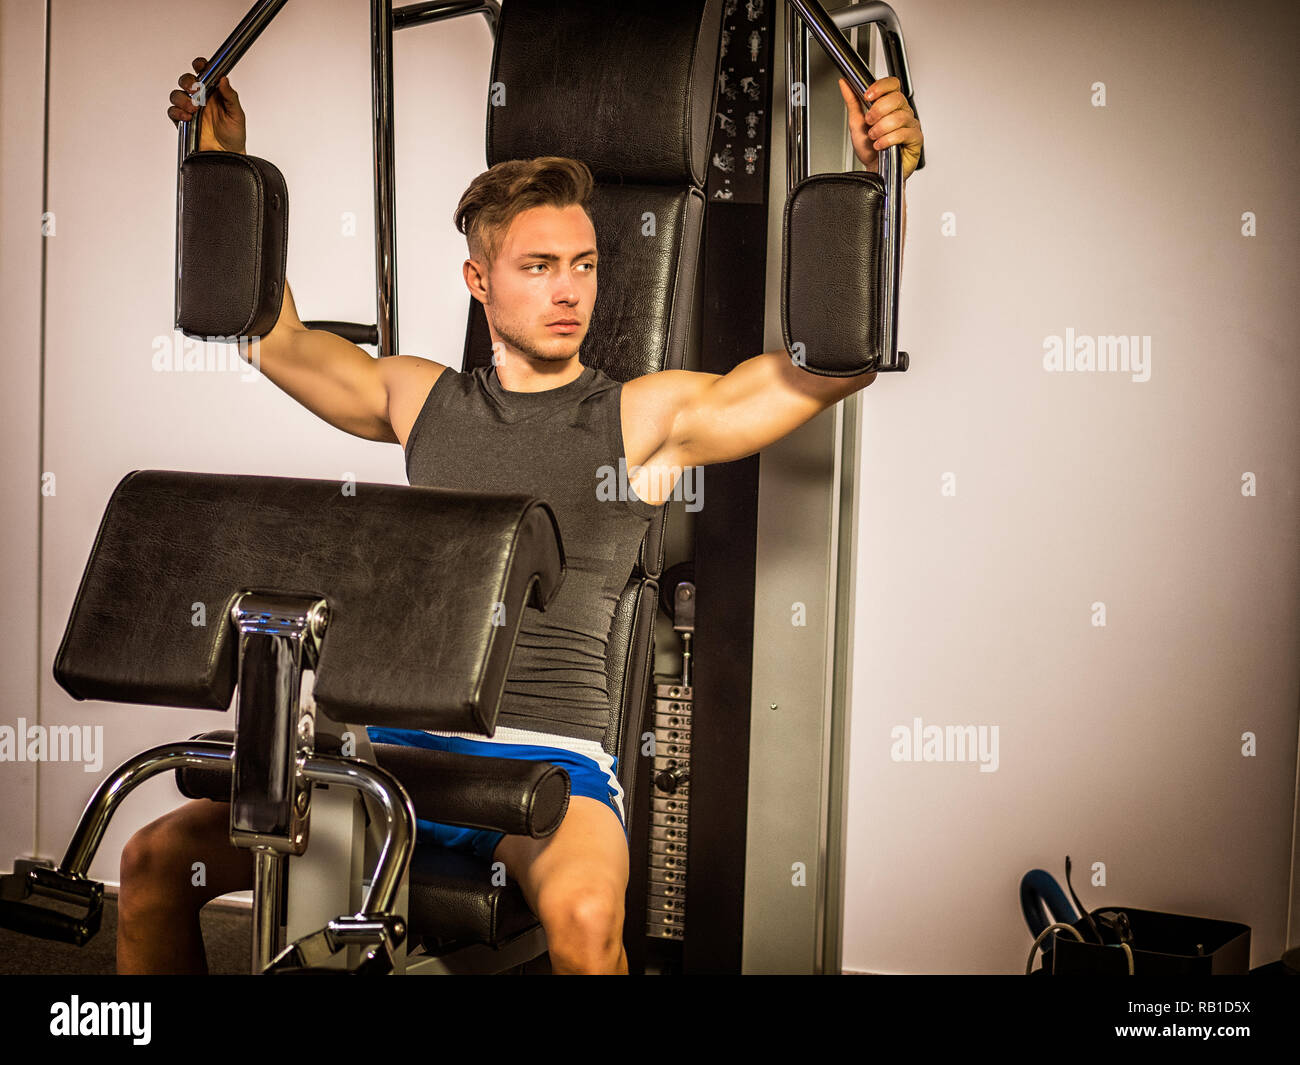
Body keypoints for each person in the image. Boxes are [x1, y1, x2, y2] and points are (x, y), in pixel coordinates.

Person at [119, 56, 924, 976]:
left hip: (549, 762)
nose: (570, 289)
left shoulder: (643, 418)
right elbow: (274, 336)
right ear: (478, 280)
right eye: (539, 267)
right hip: (390, 757)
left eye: (583, 264)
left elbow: (830, 366)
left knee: (586, 920)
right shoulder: (419, 398)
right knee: (151, 864)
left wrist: (887, 185)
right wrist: (228, 162)